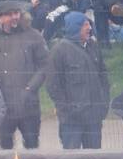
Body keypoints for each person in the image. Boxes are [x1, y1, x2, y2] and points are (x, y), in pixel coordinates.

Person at [0, 0, 49, 149]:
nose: (15, 17)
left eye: (17, 13)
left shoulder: (33, 35)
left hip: (28, 105)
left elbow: (45, 65)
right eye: (10, 14)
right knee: (5, 151)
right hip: (2, 107)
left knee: (32, 149)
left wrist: (30, 88)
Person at [46, 12, 110, 149]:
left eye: (89, 24)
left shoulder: (93, 46)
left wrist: (104, 104)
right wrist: (66, 110)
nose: (89, 28)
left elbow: (103, 77)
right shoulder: (59, 50)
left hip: (93, 118)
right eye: (85, 25)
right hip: (71, 122)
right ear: (75, 28)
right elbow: (53, 85)